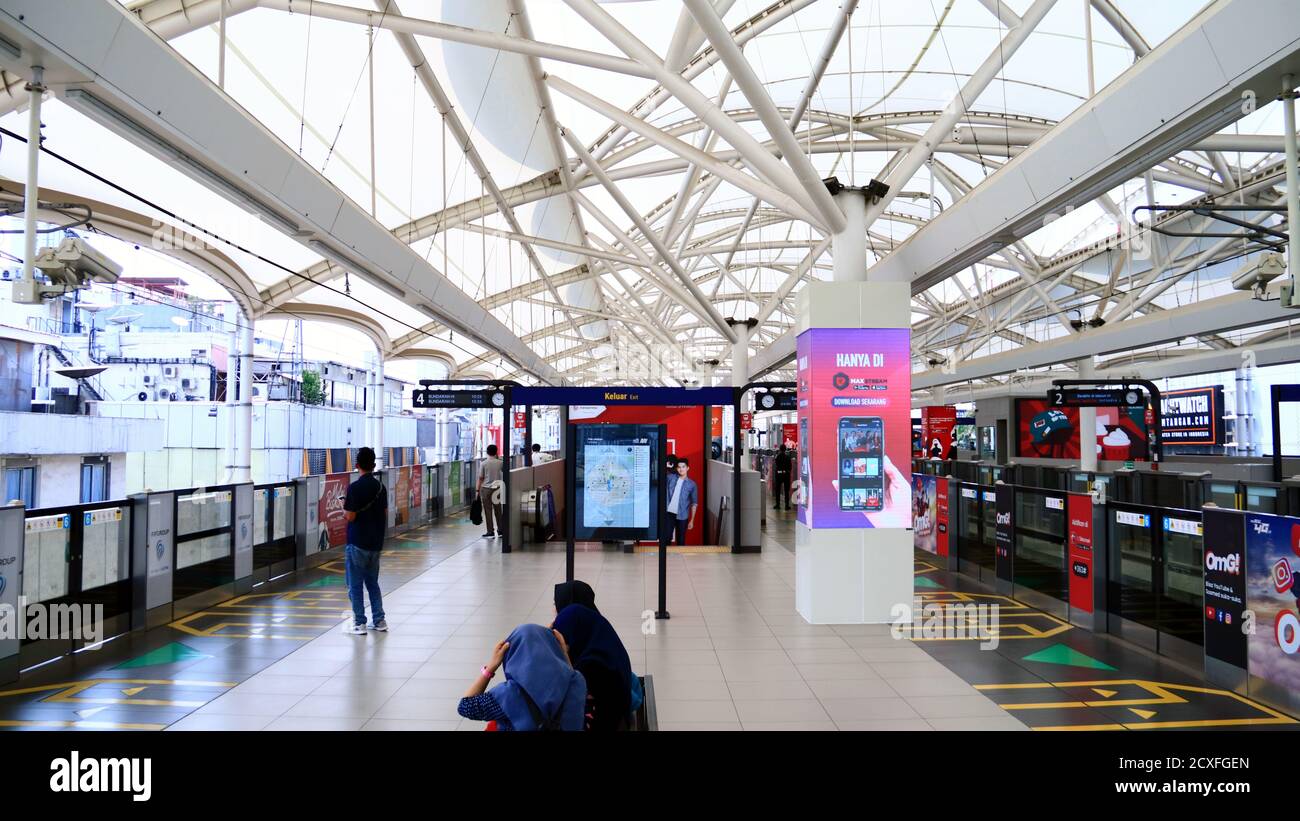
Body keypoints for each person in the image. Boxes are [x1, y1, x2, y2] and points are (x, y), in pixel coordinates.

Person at [457, 624, 586, 731]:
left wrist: (490, 668)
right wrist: (563, 654)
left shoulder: (509, 694)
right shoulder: (577, 683)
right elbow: (570, 675)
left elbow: (465, 706)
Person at [553, 604, 634, 731]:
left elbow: (573, 714)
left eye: (564, 643)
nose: (564, 648)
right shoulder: (602, 648)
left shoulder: (592, 668)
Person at [342, 446, 388, 635]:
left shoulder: (354, 488)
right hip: (375, 542)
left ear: (357, 465)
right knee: (372, 583)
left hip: (357, 541)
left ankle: (360, 622)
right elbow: (384, 513)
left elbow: (350, 516)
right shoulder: (380, 487)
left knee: (354, 584)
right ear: (374, 465)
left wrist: (343, 508)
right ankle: (379, 620)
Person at [662, 456, 697, 547]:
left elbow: (694, 503)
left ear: (687, 468)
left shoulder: (692, 484)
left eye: (683, 467)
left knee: (681, 540)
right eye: (679, 467)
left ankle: (679, 559)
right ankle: (666, 559)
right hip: (669, 513)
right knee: (666, 538)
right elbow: (660, 474)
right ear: (676, 468)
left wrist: (692, 520)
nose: (681, 469)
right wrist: (667, 465)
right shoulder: (670, 478)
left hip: (682, 515)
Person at [477, 443, 504, 539]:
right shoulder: (500, 462)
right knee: (498, 510)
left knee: (488, 511)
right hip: (497, 489)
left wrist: (477, 490)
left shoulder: (483, 463)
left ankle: (490, 532)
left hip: (486, 489)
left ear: (487, 452)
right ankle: (501, 530)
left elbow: (481, 478)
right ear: (496, 452)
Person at [772, 444, 793, 511]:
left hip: (779, 475)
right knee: (786, 491)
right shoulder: (788, 457)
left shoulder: (777, 456)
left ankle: (778, 505)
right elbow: (790, 467)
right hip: (786, 475)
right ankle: (787, 505)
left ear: (780, 449)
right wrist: (787, 471)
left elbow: (776, 465)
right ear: (785, 449)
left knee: (778, 490)